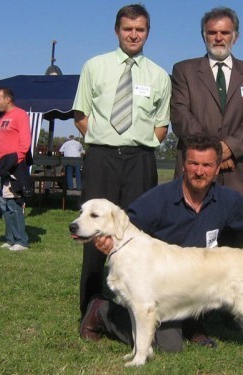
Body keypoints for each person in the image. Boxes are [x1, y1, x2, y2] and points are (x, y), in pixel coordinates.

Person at [79, 134, 243, 353]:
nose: (199, 171)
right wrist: (108, 242)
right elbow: (123, 225)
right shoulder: (159, 199)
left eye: (207, 165)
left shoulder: (226, 199)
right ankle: (101, 311)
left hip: (199, 283)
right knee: (169, 345)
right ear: (184, 165)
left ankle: (194, 326)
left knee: (176, 330)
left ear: (217, 168)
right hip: (165, 287)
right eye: (193, 164)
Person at [72, 4, 171, 317]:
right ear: (117, 31)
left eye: (139, 29)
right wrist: (106, 141)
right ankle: (90, 309)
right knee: (93, 232)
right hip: (102, 157)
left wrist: (139, 146)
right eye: (128, 28)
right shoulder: (94, 66)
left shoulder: (158, 75)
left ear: (148, 33)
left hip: (140, 159)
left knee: (138, 234)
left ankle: (134, 308)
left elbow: (161, 125)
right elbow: (81, 114)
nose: (133, 34)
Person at [170, 7, 243, 248]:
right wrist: (213, 153)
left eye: (225, 32)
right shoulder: (184, 71)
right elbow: (181, 115)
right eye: (212, 32)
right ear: (203, 35)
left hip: (238, 172)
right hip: (195, 169)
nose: (218, 37)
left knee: (233, 250)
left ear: (236, 35)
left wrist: (229, 148)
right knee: (191, 246)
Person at [0, 88, 32, 251]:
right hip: (1, 167)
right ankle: (10, 239)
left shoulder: (20, 114)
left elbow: (25, 143)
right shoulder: (1, 117)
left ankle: (21, 241)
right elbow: (0, 143)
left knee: (14, 204)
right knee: (4, 204)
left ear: (7, 99)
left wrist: (15, 164)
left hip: (14, 167)